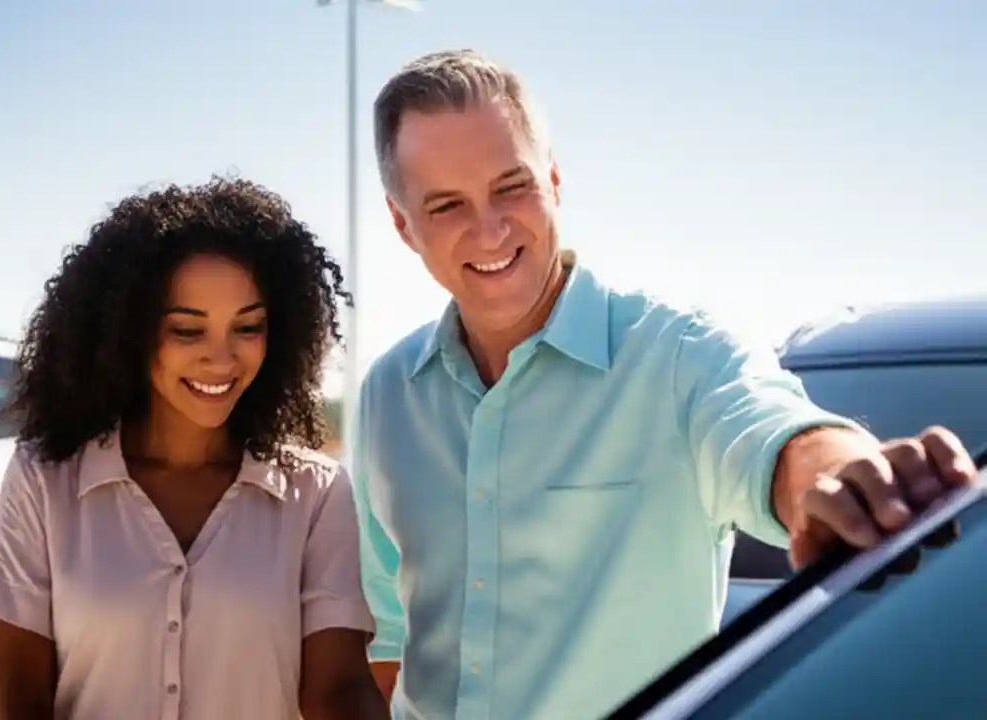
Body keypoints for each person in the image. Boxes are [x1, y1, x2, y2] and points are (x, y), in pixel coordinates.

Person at [350, 49, 980, 720]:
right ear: (402, 225)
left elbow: (775, 432)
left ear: (554, 182)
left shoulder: (680, 354)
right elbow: (389, 634)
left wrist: (847, 474)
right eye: (447, 205)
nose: (491, 228)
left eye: (512, 187)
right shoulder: (390, 393)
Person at [0, 177, 389, 719]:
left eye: (248, 326)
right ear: (128, 333)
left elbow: (337, 689)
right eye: (187, 331)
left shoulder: (316, 493)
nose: (222, 358)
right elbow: (21, 702)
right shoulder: (44, 482)